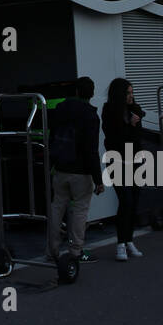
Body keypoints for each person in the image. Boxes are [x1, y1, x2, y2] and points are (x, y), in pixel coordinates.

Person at [47, 76, 105, 264]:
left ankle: (52, 250)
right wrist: (98, 179)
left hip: (61, 167)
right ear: (91, 93)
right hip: (81, 171)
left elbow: (52, 137)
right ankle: (76, 251)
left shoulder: (59, 110)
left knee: (57, 208)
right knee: (80, 210)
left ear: (76, 91)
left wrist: (51, 164)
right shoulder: (90, 116)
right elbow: (91, 150)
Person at [102, 77, 146, 260]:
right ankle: (121, 244)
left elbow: (137, 137)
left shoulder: (135, 111)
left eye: (132, 92)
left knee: (134, 200)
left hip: (135, 159)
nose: (131, 96)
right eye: (127, 93)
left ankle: (129, 240)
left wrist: (134, 123)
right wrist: (129, 123)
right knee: (125, 200)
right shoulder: (109, 110)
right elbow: (112, 136)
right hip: (117, 160)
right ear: (119, 94)